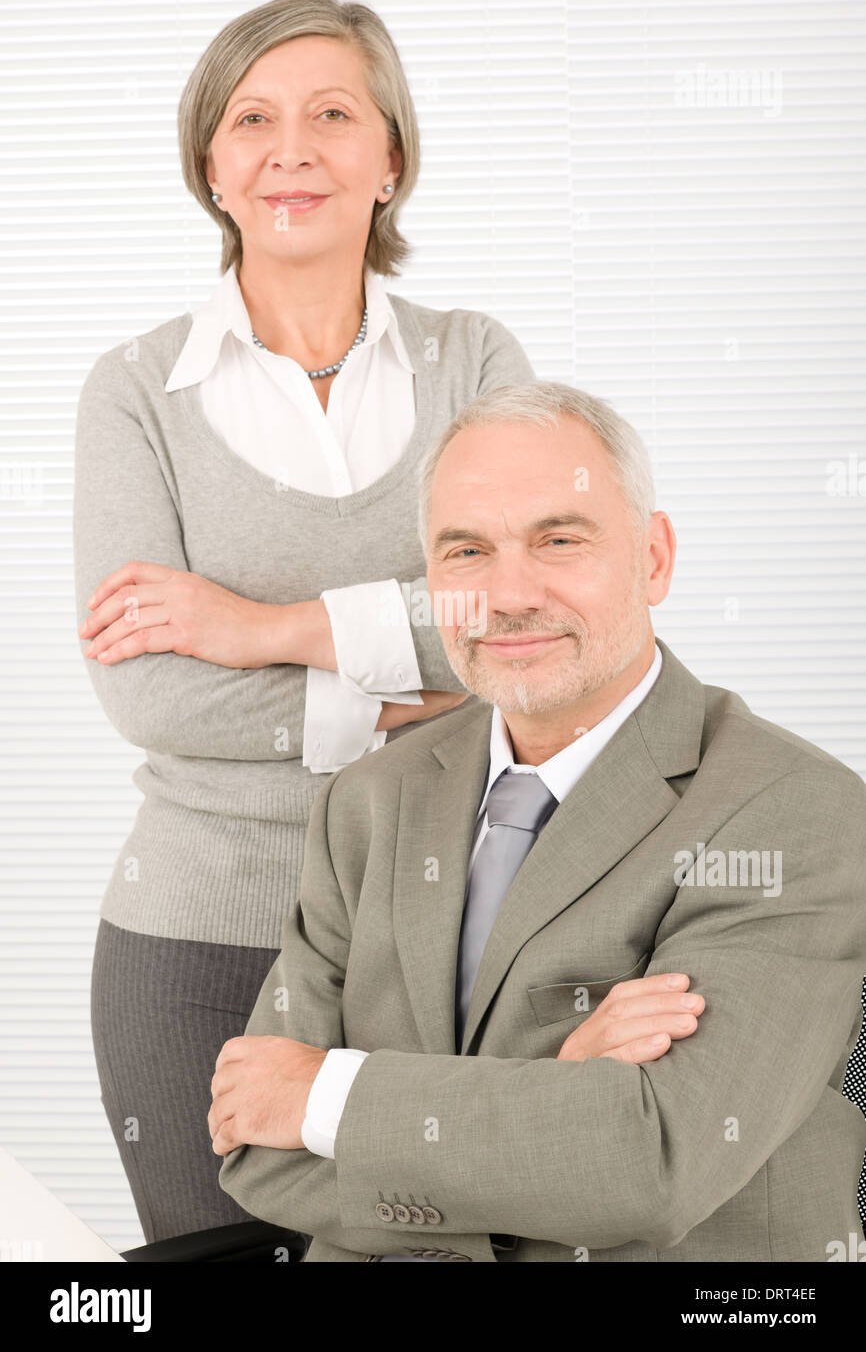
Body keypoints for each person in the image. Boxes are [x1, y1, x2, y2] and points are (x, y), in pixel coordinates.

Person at [73, 0, 535, 1245]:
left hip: (453, 929)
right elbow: (148, 689)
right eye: (253, 119)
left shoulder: (475, 361)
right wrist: (404, 697)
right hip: (195, 938)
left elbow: (523, 618)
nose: (293, 148)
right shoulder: (133, 392)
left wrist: (254, 625)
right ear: (210, 167)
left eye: (334, 114)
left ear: (388, 156)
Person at [212, 381, 866, 1262]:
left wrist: (329, 1100)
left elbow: (650, 1162)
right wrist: (552, 1104)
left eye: (559, 540)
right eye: (466, 551)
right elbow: (254, 1144)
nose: (508, 595)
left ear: (654, 558)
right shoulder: (369, 800)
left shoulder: (790, 813)